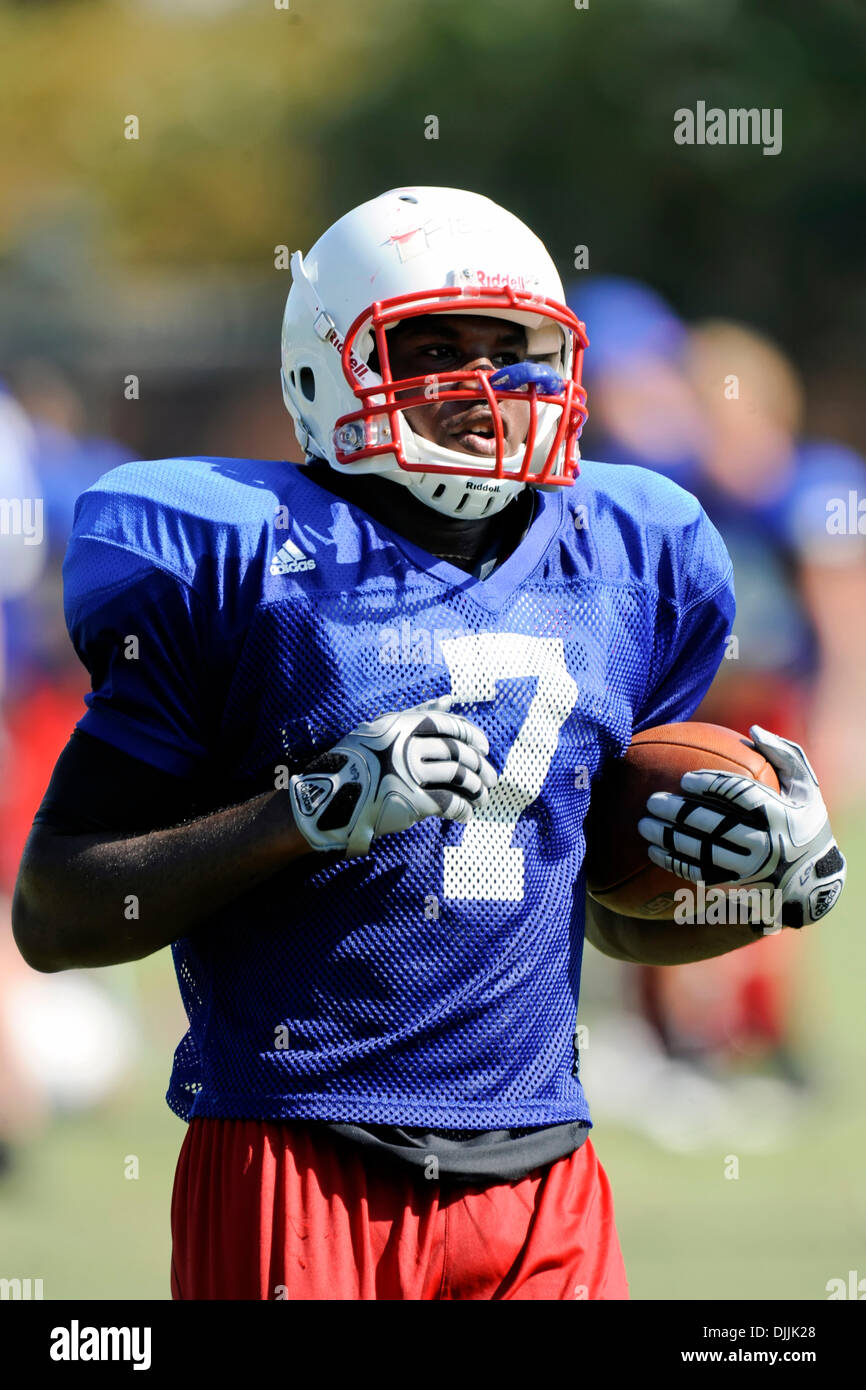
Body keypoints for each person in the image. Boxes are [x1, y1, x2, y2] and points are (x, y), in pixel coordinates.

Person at [11, 187, 847, 1301]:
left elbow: (608, 916)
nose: (480, 384)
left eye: (512, 352)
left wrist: (755, 891)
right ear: (325, 361)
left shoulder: (626, 555)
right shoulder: (232, 560)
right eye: (432, 346)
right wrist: (299, 813)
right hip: (299, 1155)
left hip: (543, 1167)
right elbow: (58, 911)